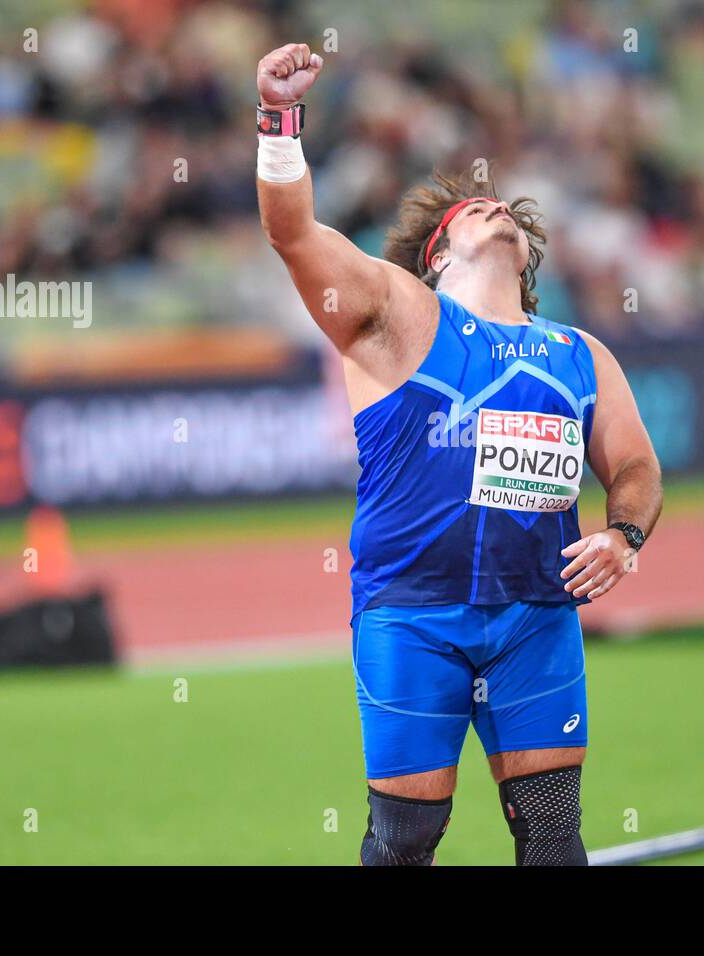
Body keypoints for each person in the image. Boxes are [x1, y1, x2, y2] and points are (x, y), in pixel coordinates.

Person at [255, 42, 662, 866]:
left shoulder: (580, 353)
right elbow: (292, 231)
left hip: (535, 616)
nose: (493, 207)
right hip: (412, 614)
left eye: (505, 207)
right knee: (404, 844)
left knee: (553, 840)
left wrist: (624, 537)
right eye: (469, 211)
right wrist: (278, 118)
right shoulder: (397, 314)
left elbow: (637, 469)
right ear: (435, 256)